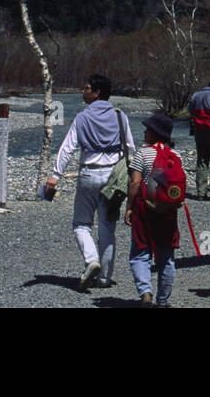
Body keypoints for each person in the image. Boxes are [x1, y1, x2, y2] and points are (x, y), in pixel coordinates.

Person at [44, 75, 135, 291]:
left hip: (88, 174)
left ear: (96, 93)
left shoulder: (82, 117)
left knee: (81, 224)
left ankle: (91, 259)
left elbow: (67, 148)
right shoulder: (120, 116)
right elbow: (130, 147)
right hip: (113, 177)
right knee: (107, 227)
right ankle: (104, 279)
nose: (82, 91)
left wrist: (56, 175)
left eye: (86, 88)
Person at [125, 113, 184, 307]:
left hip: (144, 210)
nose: (144, 132)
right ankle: (163, 301)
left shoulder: (142, 154)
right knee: (166, 258)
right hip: (167, 212)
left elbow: (135, 184)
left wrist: (128, 207)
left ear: (155, 133)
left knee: (140, 254)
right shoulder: (176, 156)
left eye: (148, 129)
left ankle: (146, 293)